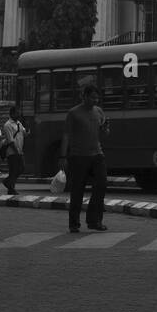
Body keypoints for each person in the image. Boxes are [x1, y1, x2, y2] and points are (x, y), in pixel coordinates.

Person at [60, 81, 109, 233]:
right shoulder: (73, 113)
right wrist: (62, 156)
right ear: (85, 96)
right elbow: (66, 135)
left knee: (101, 185)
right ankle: (74, 224)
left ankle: (94, 221)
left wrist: (105, 129)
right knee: (77, 190)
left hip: (97, 154)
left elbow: (104, 133)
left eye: (97, 98)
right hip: (78, 156)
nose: (95, 100)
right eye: (92, 97)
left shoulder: (99, 111)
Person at [2, 105, 28, 196]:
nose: (19, 114)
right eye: (17, 113)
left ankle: (8, 182)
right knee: (14, 170)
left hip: (19, 150)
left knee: (21, 168)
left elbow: (24, 133)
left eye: (19, 113)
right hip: (12, 151)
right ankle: (11, 188)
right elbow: (10, 141)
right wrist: (16, 151)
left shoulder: (19, 123)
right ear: (12, 114)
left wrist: (27, 128)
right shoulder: (7, 125)